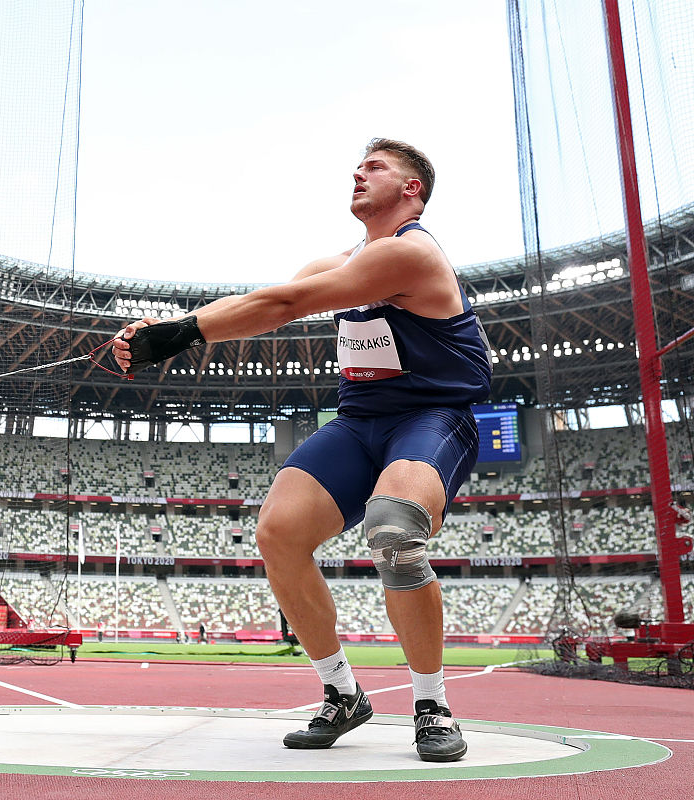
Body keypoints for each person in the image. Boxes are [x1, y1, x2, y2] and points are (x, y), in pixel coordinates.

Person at [112, 139, 490, 763]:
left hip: (431, 420)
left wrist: (175, 334)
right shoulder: (335, 263)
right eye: (357, 167)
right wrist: (160, 333)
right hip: (359, 423)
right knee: (278, 533)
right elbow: (268, 308)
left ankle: (431, 702)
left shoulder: (411, 253)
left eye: (374, 168)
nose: (357, 174)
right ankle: (342, 694)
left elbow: (286, 304)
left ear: (412, 189)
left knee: (395, 530)